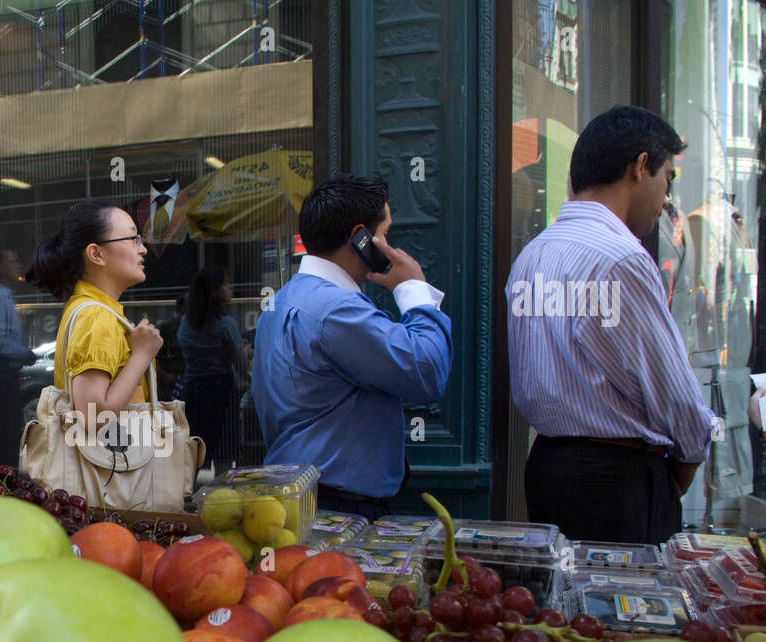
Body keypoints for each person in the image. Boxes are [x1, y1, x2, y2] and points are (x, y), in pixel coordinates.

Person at [506, 106, 717, 545]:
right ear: (640, 167)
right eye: (667, 179)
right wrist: (686, 460)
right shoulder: (621, 258)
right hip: (618, 477)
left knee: (560, 607)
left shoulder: (534, 254)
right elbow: (672, 390)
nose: (666, 199)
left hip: (548, 465)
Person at [251, 173, 452, 520]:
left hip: (303, 493)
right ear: (361, 238)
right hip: (337, 504)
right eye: (385, 235)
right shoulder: (336, 311)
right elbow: (427, 370)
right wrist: (414, 290)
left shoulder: (284, 300)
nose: (390, 246)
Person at [25, 199, 162, 421]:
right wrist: (142, 354)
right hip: (113, 453)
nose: (143, 249)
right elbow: (93, 416)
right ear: (96, 254)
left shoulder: (89, 309)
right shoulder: (96, 317)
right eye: (132, 239)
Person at [175, 265, 251, 472]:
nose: (230, 288)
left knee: (194, 450)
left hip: (193, 391)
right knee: (224, 453)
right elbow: (242, 369)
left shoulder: (185, 323)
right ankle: (221, 499)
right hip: (221, 392)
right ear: (215, 291)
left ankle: (185, 497)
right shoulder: (226, 324)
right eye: (226, 284)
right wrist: (243, 350)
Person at [0, 245, 35, 463]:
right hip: (4, 376)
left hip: (11, 375)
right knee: (8, 434)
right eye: (12, 260)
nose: (17, 265)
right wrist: (27, 354)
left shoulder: (6, 296)